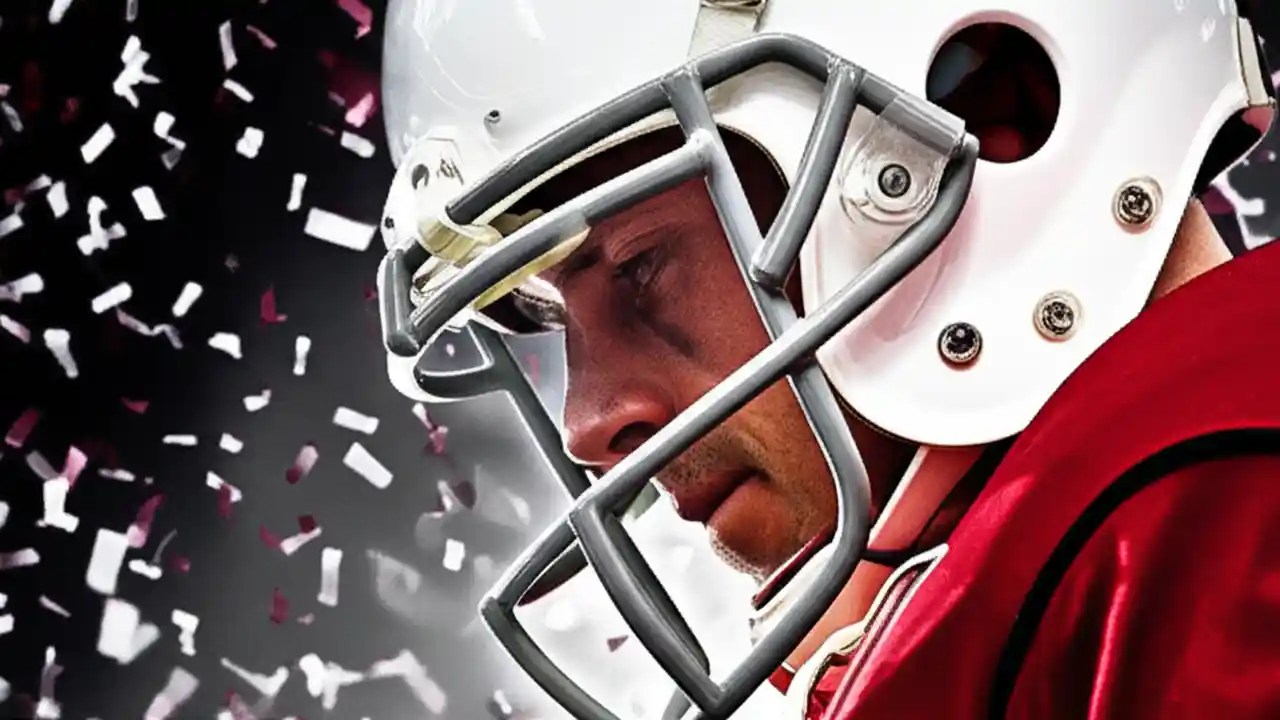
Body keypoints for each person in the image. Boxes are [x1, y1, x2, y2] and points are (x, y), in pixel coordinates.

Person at [375, 0, 1280, 717]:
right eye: (546, 317)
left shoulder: (1209, 510)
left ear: (992, 108)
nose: (588, 424)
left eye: (639, 267)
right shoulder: (1022, 587)